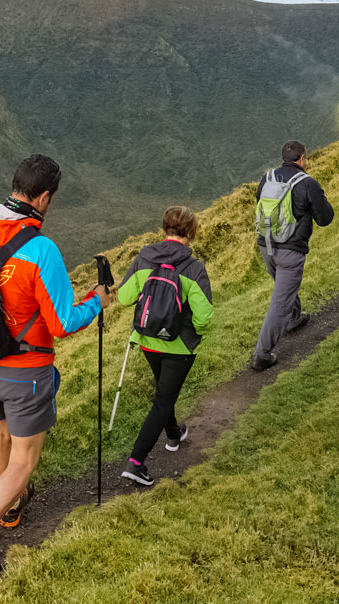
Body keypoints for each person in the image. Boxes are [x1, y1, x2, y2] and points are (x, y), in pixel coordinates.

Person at [0, 154, 109, 580]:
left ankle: (12, 505)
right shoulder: (41, 250)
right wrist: (97, 301)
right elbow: (63, 323)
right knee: (23, 462)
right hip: (27, 370)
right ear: (45, 197)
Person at [115, 206, 213, 486]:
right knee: (163, 400)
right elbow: (204, 316)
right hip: (179, 347)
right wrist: (199, 334)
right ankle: (135, 462)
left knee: (163, 393)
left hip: (147, 340)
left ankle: (174, 433)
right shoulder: (194, 268)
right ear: (191, 233)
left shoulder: (143, 259)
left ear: (165, 229)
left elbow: (123, 297)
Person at [250, 140, 333, 371]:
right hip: (291, 251)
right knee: (280, 303)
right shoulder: (308, 183)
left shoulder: (267, 178)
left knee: (283, 290)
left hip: (266, 246)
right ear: (303, 158)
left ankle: (294, 319)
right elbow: (325, 218)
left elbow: (260, 204)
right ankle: (262, 354)